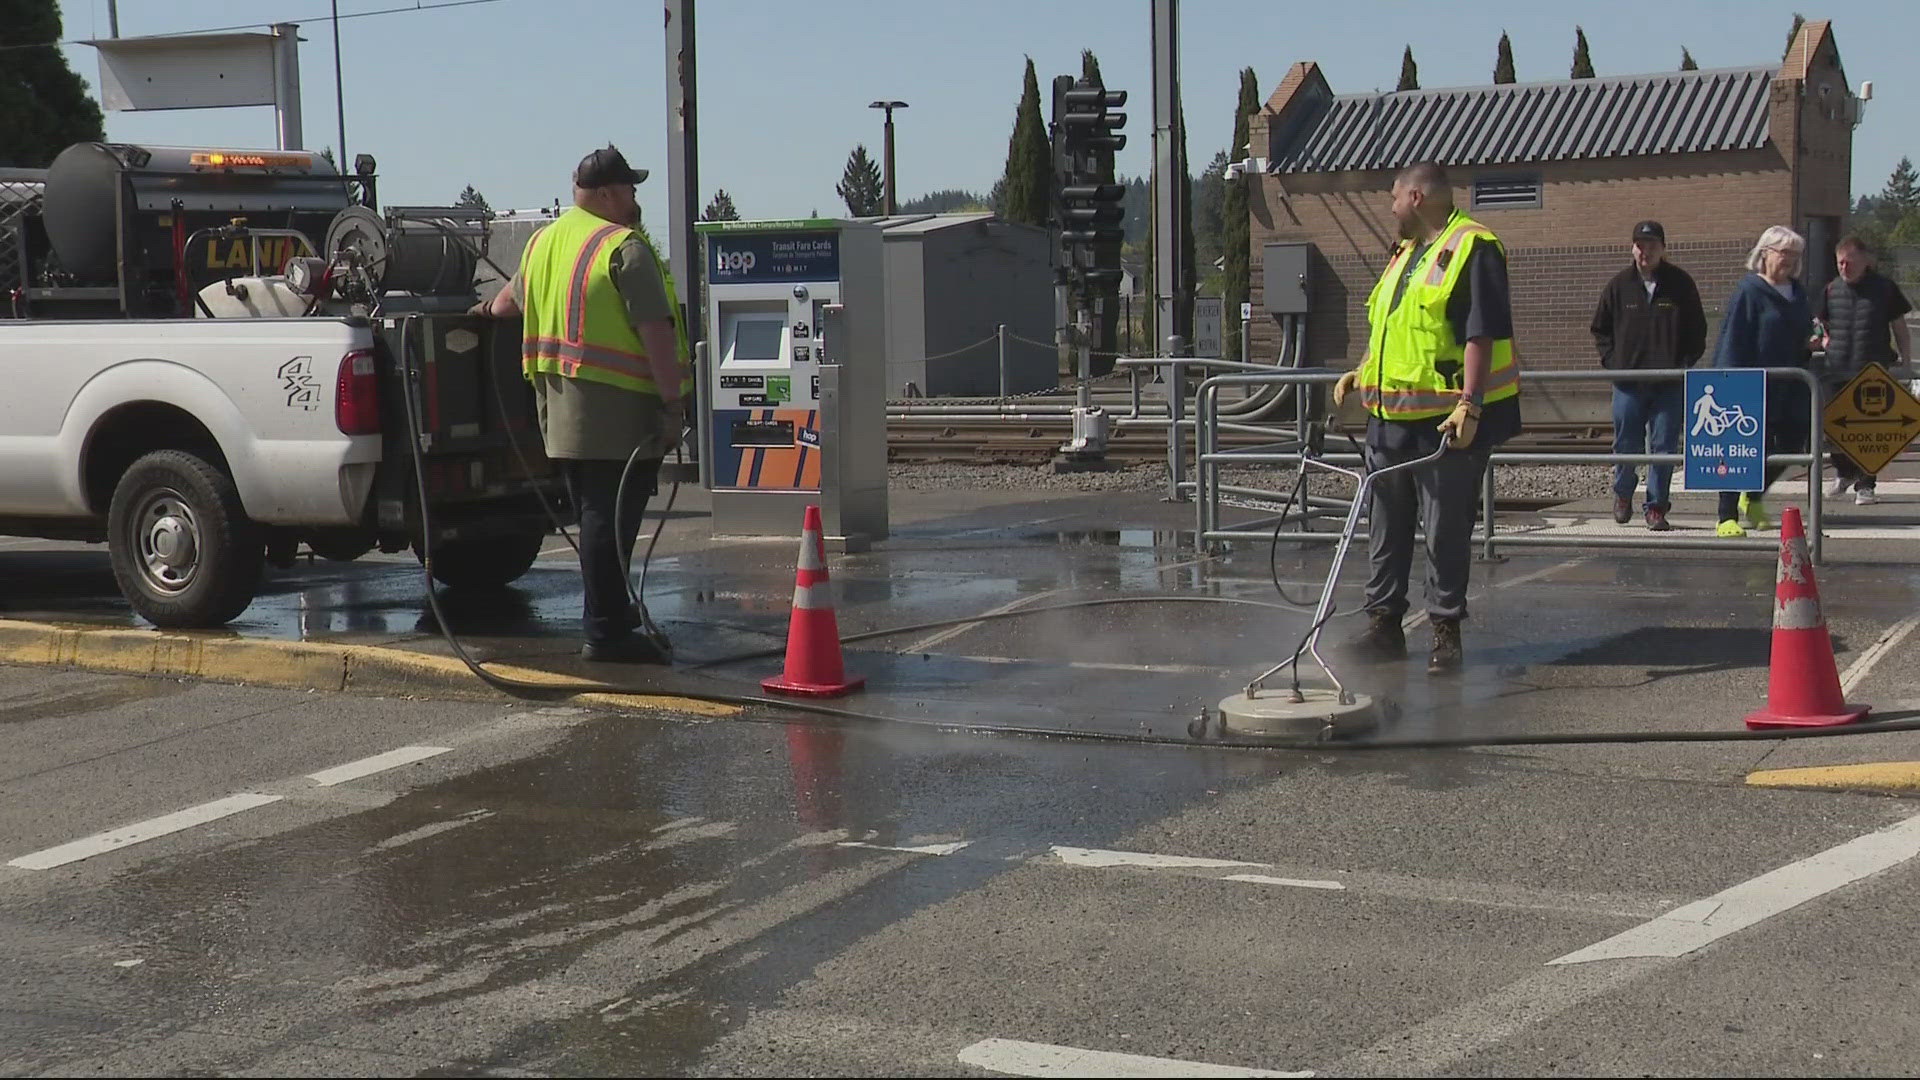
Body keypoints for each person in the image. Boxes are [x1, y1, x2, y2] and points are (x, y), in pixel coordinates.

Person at [473, 145, 693, 662]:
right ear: (607, 194)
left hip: (559, 410)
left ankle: (610, 611)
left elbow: (509, 301)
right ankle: (606, 630)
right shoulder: (624, 247)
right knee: (610, 520)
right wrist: (673, 403)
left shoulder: (544, 242)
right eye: (631, 188)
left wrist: (481, 309)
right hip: (618, 409)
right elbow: (655, 332)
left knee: (597, 515)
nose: (636, 197)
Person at [1332, 162, 1522, 674]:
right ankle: (1384, 627)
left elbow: (1481, 333)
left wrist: (1472, 405)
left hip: (1445, 422)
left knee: (1444, 529)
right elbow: (1396, 331)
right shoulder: (1405, 255)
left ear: (1416, 197)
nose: (1390, 208)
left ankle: (1444, 631)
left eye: (1394, 198)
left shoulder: (1473, 247)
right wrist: (1363, 372)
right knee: (1385, 525)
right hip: (1390, 419)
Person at [1590, 220, 1707, 532]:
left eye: (1652, 245)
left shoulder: (1681, 285)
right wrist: (1613, 362)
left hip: (1668, 386)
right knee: (1626, 444)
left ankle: (1656, 507)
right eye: (1640, 245)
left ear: (1663, 249)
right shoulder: (1618, 286)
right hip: (1628, 385)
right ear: (1633, 248)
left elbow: (1698, 331)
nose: (1646, 251)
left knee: (1664, 448)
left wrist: (1682, 363)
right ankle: (1623, 495)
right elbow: (1600, 329)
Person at [1710, 226, 1813, 538]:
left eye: (1795, 255)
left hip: (1790, 382)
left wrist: (1813, 342)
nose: (1790, 261)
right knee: (1738, 448)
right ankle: (1726, 515)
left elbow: (1802, 330)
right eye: (1784, 253)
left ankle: (1753, 495)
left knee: (1792, 443)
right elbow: (1734, 336)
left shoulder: (1797, 292)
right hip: (1750, 382)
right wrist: (1729, 381)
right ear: (1765, 253)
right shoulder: (1750, 290)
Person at [1815, 235, 1913, 505]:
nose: (1844, 268)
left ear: (1864, 260)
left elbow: (1900, 328)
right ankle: (1845, 472)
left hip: (1872, 369)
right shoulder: (1831, 289)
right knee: (1830, 425)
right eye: (1840, 263)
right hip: (1836, 367)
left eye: (1849, 262)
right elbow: (1820, 321)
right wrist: (1823, 337)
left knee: (1871, 431)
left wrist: (1906, 362)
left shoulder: (1885, 288)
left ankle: (1866, 484)